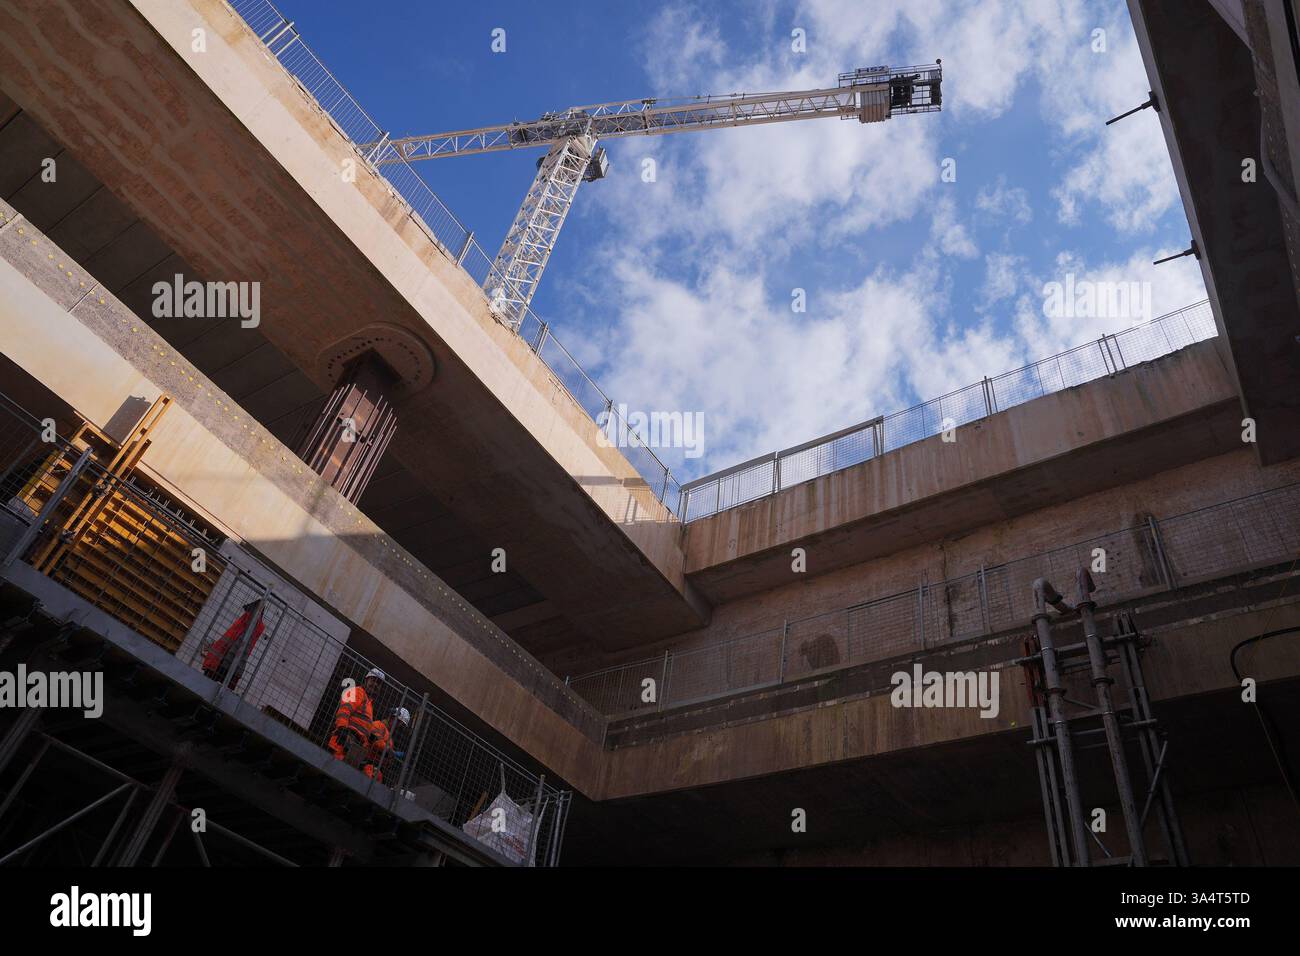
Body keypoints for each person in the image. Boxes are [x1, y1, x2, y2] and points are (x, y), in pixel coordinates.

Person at [202, 600, 266, 688]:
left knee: (213, 679)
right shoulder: (251, 621)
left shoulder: (253, 622)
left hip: (229, 656)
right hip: (227, 656)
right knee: (217, 679)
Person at [328, 668, 383, 767]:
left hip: (353, 746)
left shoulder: (369, 703)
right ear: (366, 680)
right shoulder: (357, 692)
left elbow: (360, 723)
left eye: (378, 683)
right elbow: (344, 710)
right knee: (333, 769)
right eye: (373, 680)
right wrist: (342, 729)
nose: (375, 685)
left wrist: (369, 736)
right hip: (343, 742)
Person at [362, 706, 411, 783]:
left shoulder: (389, 737)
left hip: (377, 769)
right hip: (367, 763)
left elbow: (386, 755)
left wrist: (392, 758)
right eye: (399, 723)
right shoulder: (378, 725)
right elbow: (375, 740)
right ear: (393, 718)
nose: (399, 727)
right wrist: (391, 751)